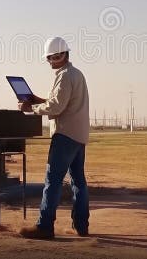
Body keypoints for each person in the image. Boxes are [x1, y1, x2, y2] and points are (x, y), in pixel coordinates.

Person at [18, 36, 90, 240]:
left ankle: (45, 226)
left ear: (63, 55)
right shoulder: (77, 74)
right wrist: (37, 100)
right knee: (79, 182)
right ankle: (81, 226)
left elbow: (57, 107)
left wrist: (30, 108)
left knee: (53, 180)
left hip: (65, 134)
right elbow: (60, 101)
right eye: (49, 58)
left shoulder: (64, 75)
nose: (50, 61)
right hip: (79, 135)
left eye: (53, 57)